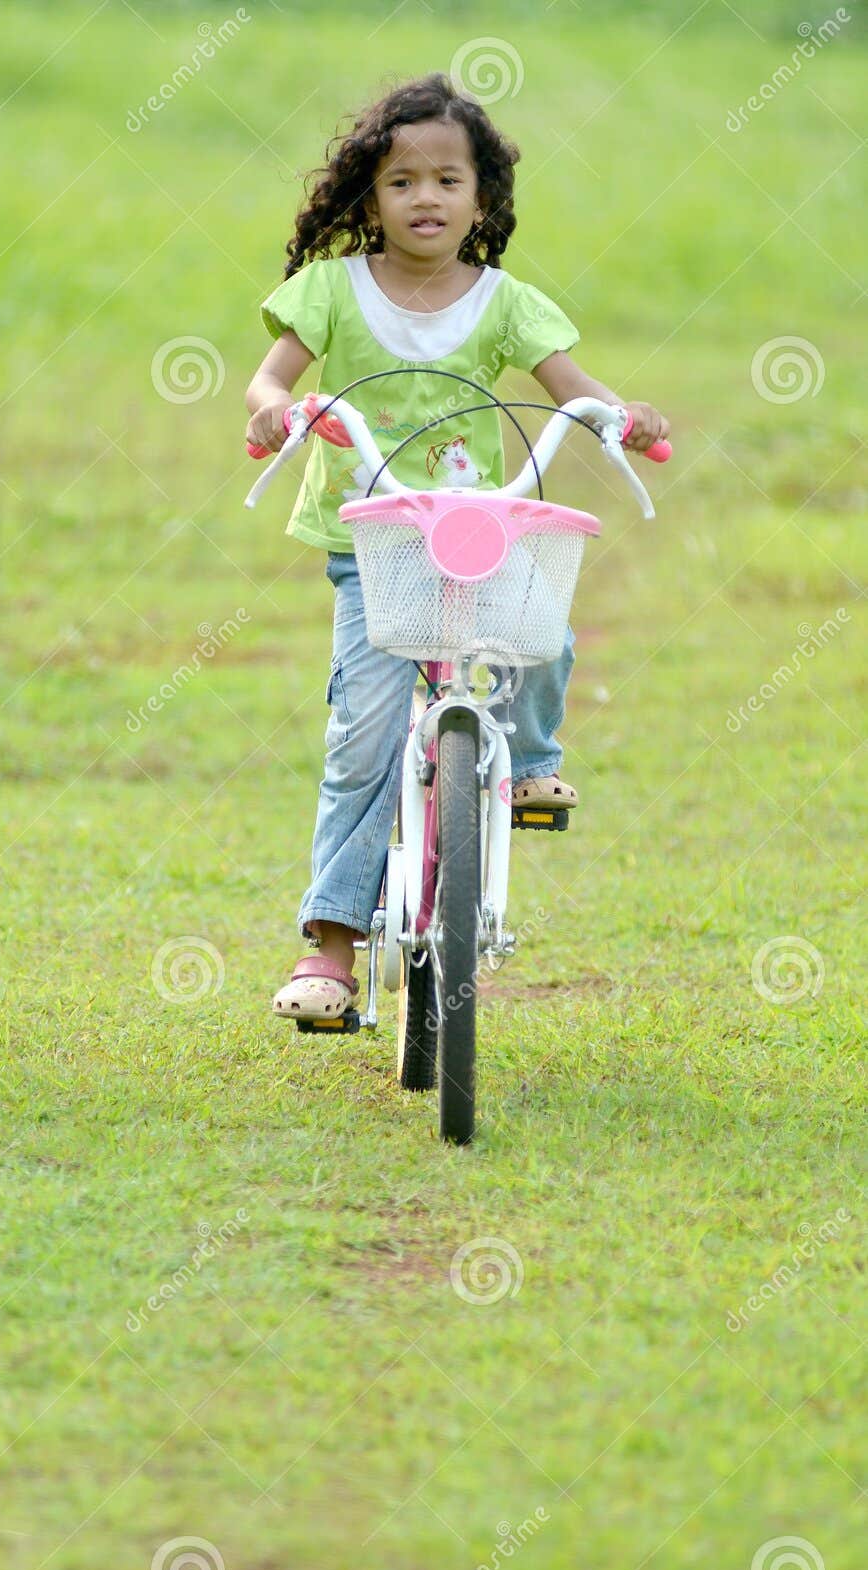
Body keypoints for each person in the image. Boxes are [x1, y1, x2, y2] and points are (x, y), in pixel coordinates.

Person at [245, 73, 669, 1022]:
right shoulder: (329, 291)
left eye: (447, 180)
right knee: (361, 738)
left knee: (543, 629)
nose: (424, 198)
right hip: (378, 540)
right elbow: (267, 382)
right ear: (368, 198)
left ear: (483, 199)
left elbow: (575, 389)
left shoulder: (506, 301)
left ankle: (525, 761)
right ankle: (334, 952)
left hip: (477, 527)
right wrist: (278, 412)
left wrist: (622, 415)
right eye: (400, 183)